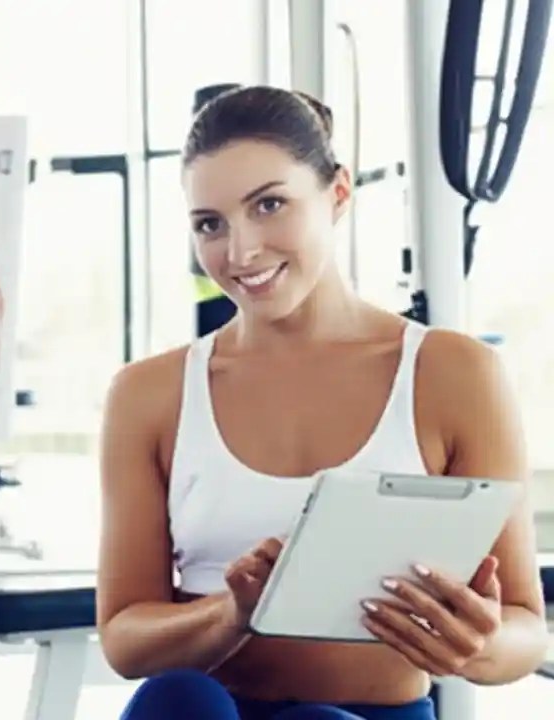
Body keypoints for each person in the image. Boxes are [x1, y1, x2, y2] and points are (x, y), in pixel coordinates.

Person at [96, 85, 548, 720]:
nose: (241, 251)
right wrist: (238, 612)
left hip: (368, 714)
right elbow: (123, 638)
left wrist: (475, 645)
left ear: (337, 194)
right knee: (178, 697)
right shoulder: (149, 394)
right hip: (207, 709)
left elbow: (526, 628)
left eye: (270, 205)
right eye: (210, 224)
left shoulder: (455, 374)